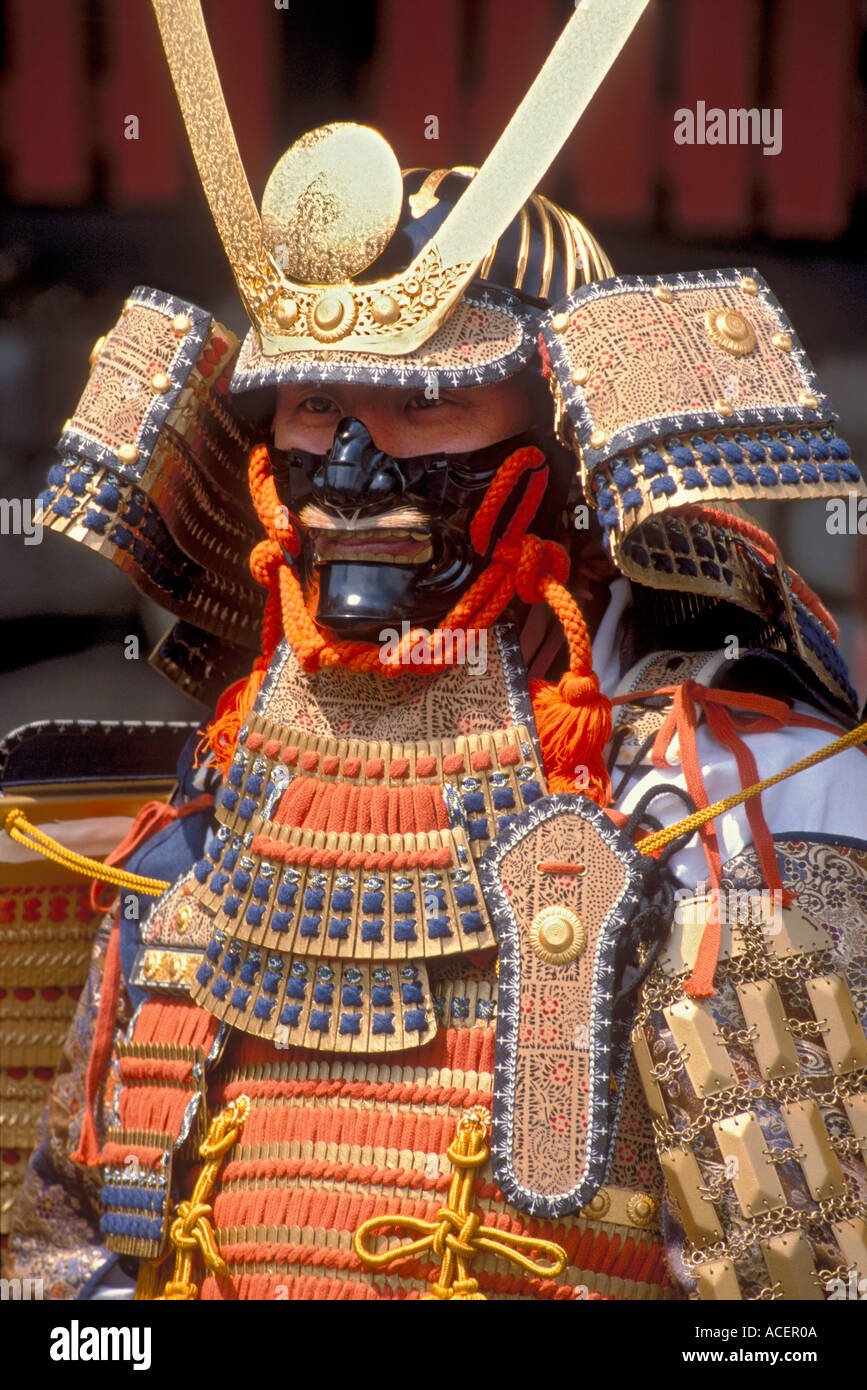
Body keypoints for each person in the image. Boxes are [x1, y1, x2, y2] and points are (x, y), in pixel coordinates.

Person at [3, 0, 866, 1303]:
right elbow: (71, 1277)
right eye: (314, 401)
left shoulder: (738, 799)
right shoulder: (207, 805)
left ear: (568, 438)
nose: (352, 461)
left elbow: (793, 1298)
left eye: (425, 399)